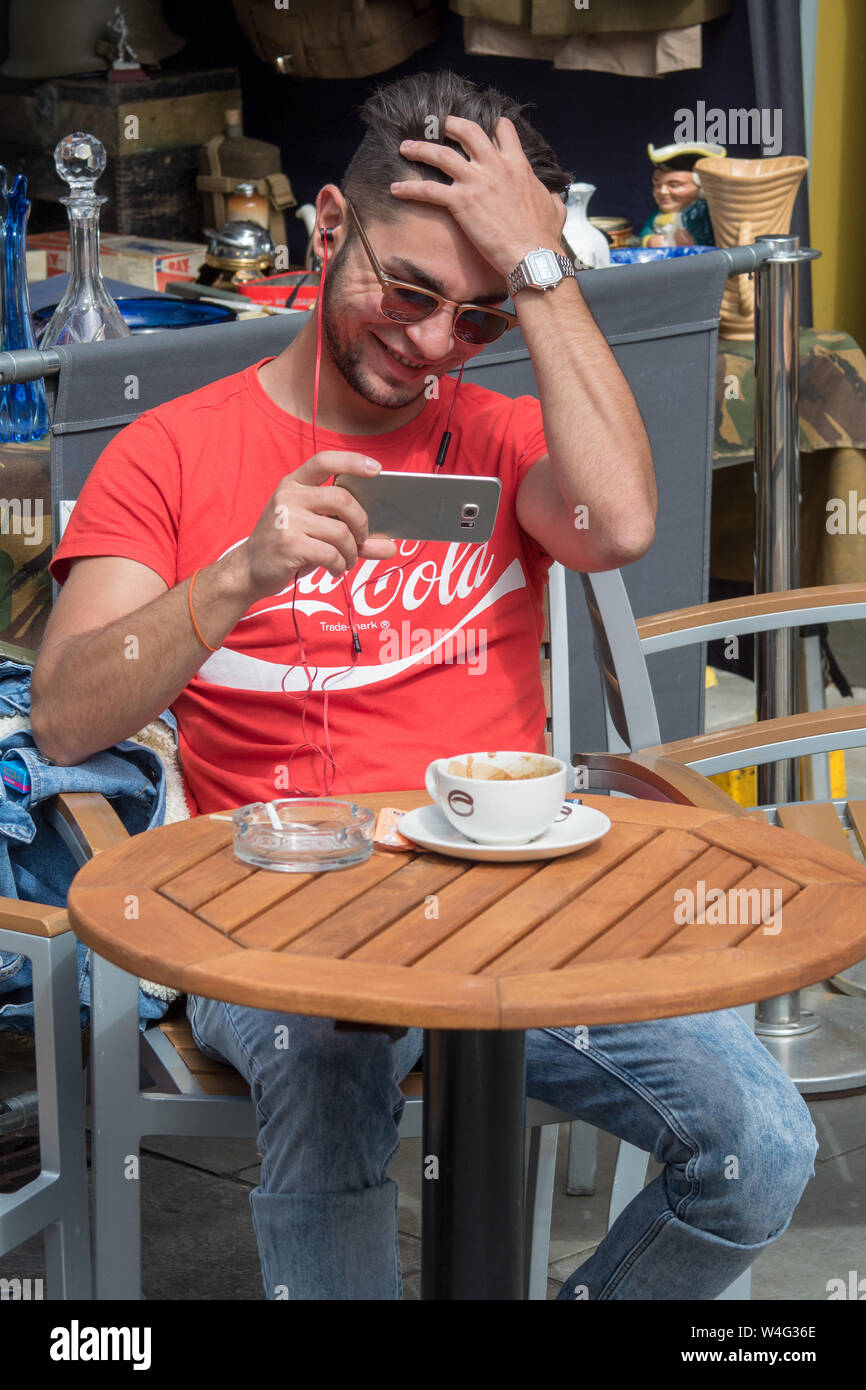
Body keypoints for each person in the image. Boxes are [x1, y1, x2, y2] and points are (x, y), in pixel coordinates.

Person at [31, 70, 817, 1301]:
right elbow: (69, 712)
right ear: (328, 224)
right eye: (405, 290)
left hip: (515, 907)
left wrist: (542, 266)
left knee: (761, 1147)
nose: (432, 339)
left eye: (478, 315)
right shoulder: (170, 453)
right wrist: (236, 573)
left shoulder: (498, 442)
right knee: (329, 1065)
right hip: (278, 914)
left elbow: (612, 523)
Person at [641, 141, 725, 248]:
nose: (662, 191)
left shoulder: (703, 214)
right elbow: (647, 230)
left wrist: (694, 242)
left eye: (674, 185)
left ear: (701, 187)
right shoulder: (657, 216)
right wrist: (649, 240)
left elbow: (713, 238)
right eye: (657, 185)